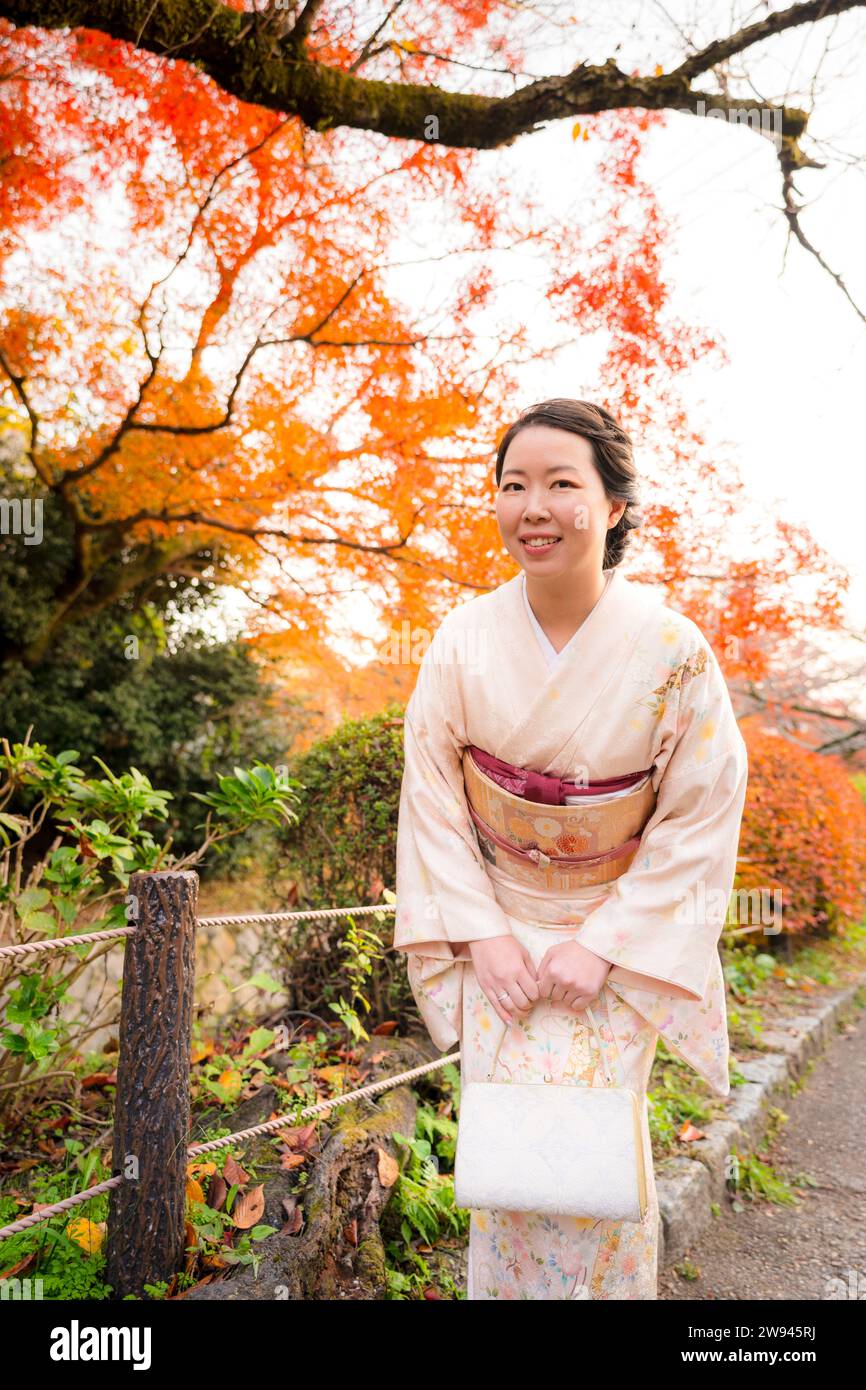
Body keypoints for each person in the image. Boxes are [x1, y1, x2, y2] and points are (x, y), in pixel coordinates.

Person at [393, 398, 749, 1300]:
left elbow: (700, 813)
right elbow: (432, 792)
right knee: (506, 1167)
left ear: (614, 503)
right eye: (514, 486)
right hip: (499, 938)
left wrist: (603, 944)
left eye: (562, 483)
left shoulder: (673, 651)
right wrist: (480, 933)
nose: (534, 507)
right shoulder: (465, 638)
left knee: (594, 1162)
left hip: (613, 938)